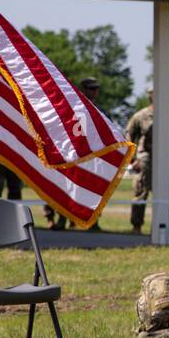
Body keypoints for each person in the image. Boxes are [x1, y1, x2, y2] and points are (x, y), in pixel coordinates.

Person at [45, 77, 102, 230]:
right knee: (65, 186)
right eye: (91, 88)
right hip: (72, 153)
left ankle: (92, 222)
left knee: (91, 188)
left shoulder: (97, 108)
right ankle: (60, 219)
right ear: (83, 89)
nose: (94, 92)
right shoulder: (73, 105)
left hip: (91, 154)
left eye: (96, 89)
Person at [125, 91, 156, 237]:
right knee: (140, 193)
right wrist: (132, 159)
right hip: (145, 160)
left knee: (168, 195)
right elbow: (129, 135)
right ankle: (136, 227)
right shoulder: (141, 116)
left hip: (166, 160)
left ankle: (161, 227)